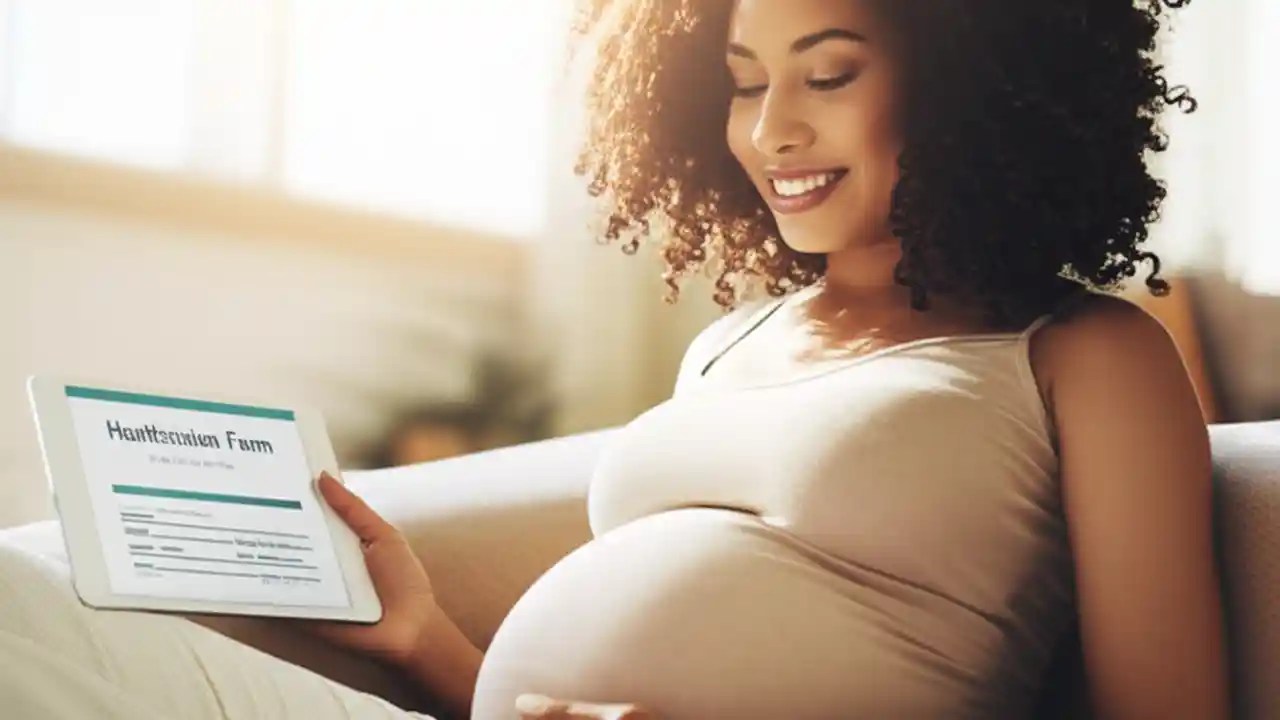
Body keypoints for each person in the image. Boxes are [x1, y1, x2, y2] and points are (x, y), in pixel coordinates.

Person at [304, 1, 1231, 718]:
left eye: (828, 75)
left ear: (969, 91)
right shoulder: (727, 346)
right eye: (744, 83)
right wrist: (426, 639)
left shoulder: (1088, 356)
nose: (769, 130)